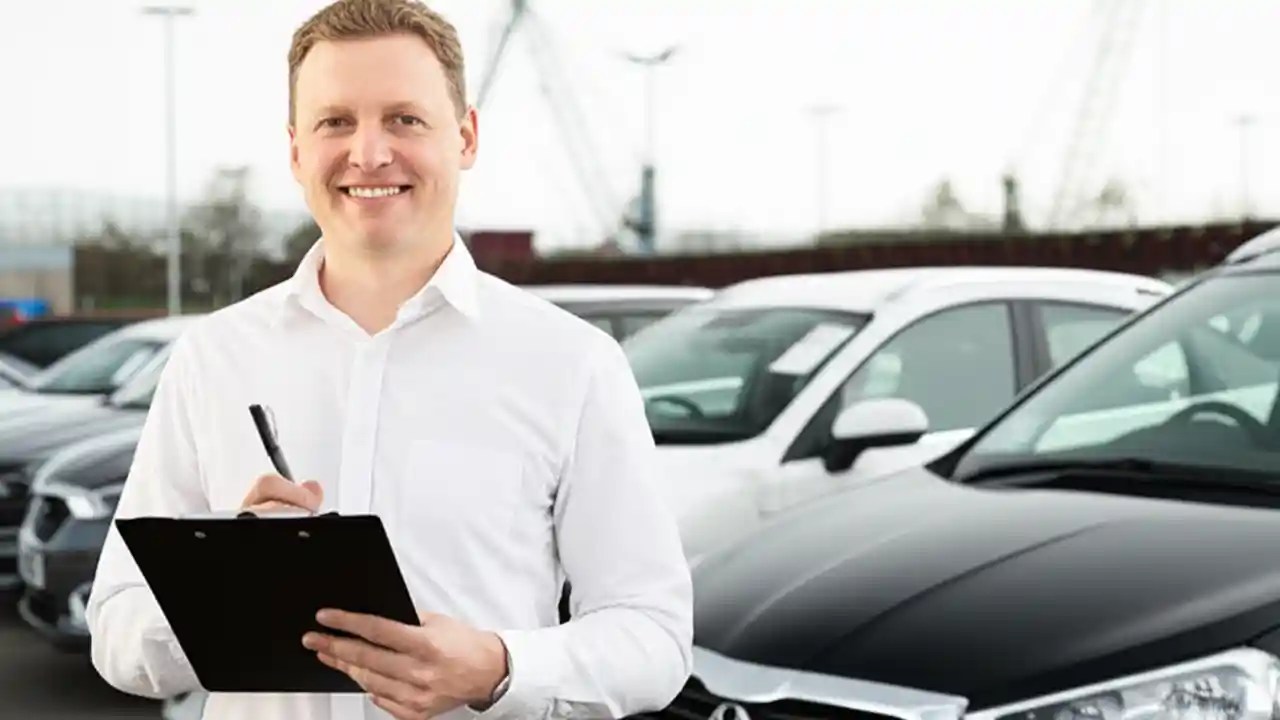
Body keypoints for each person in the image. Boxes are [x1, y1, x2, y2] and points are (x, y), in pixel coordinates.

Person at [85, 0, 694, 717]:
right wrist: (230, 588)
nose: (369, 154)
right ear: (295, 150)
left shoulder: (573, 364)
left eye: (404, 118)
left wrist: (502, 667)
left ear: (465, 135)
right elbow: (116, 630)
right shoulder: (213, 357)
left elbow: (654, 638)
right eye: (335, 121)